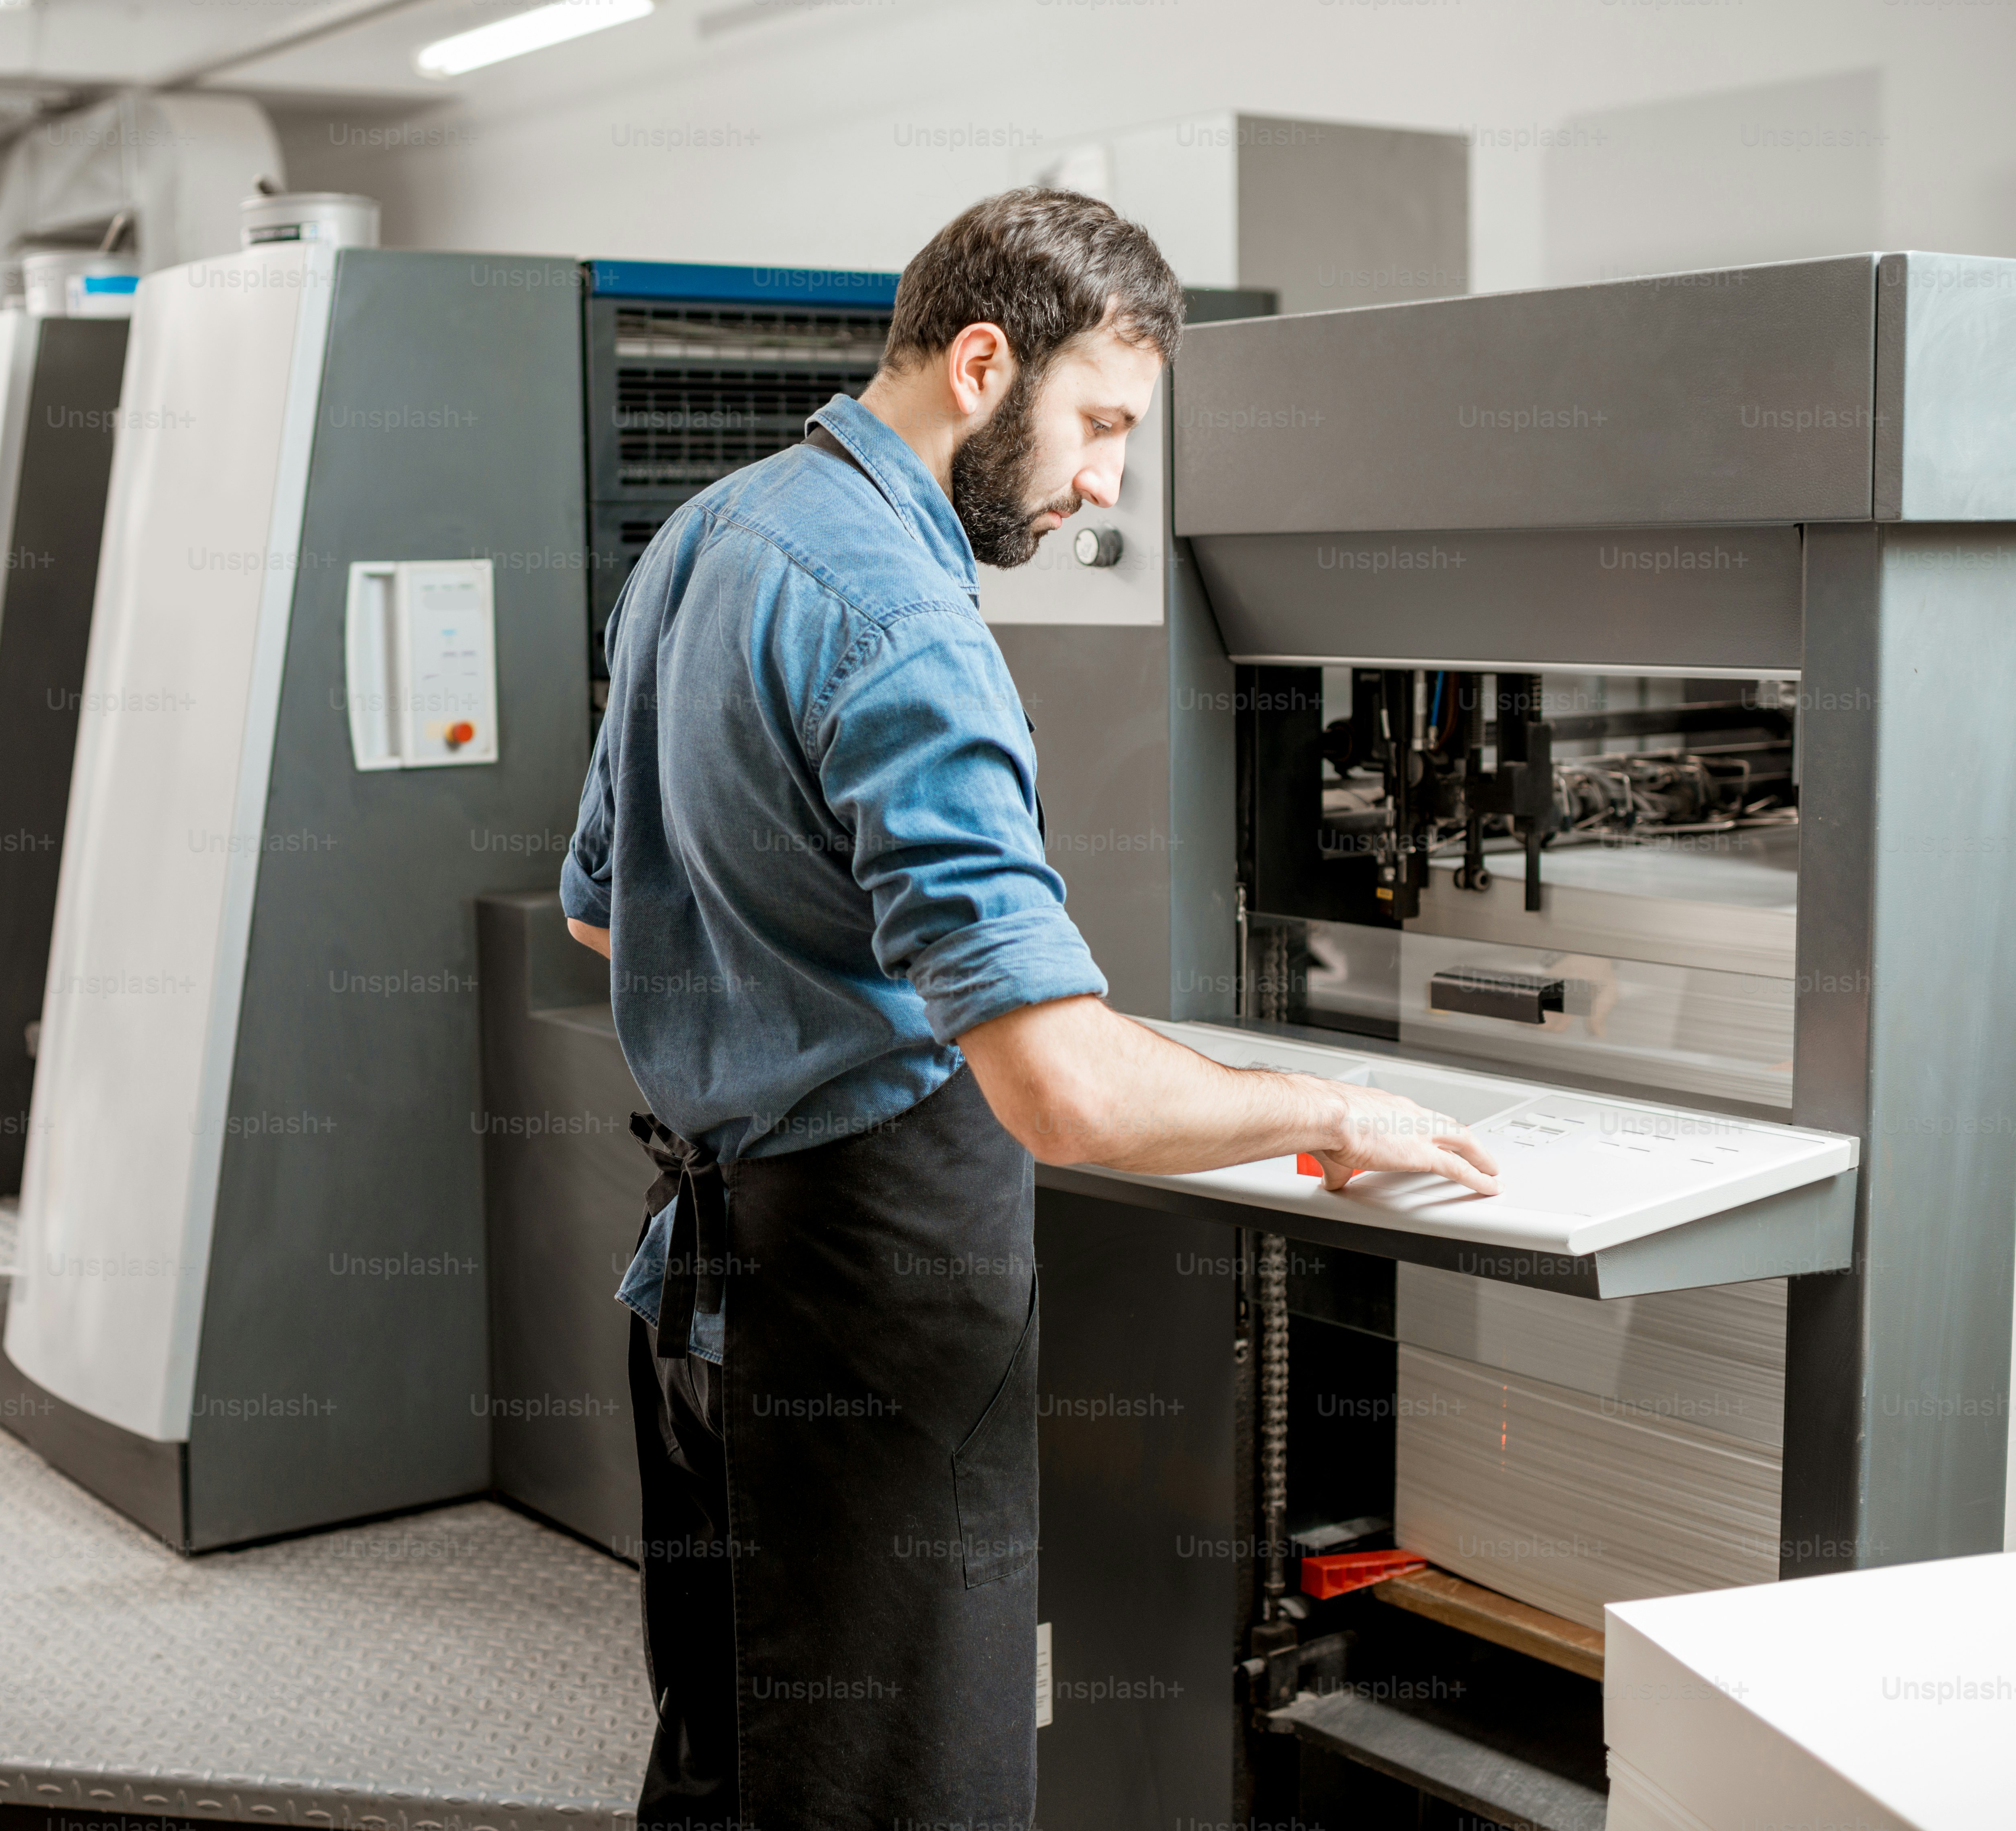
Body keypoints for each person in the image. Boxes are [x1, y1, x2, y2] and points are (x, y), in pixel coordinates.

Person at [559, 187, 1498, 1831]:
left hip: (704, 1290)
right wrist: (1334, 1113)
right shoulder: (907, 621)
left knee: (725, 1761)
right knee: (897, 1787)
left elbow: (595, 905)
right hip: (868, 1292)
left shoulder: (708, 537)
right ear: (984, 364)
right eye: (1099, 424)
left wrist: (795, 974)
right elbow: (1064, 1092)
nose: (1105, 483)